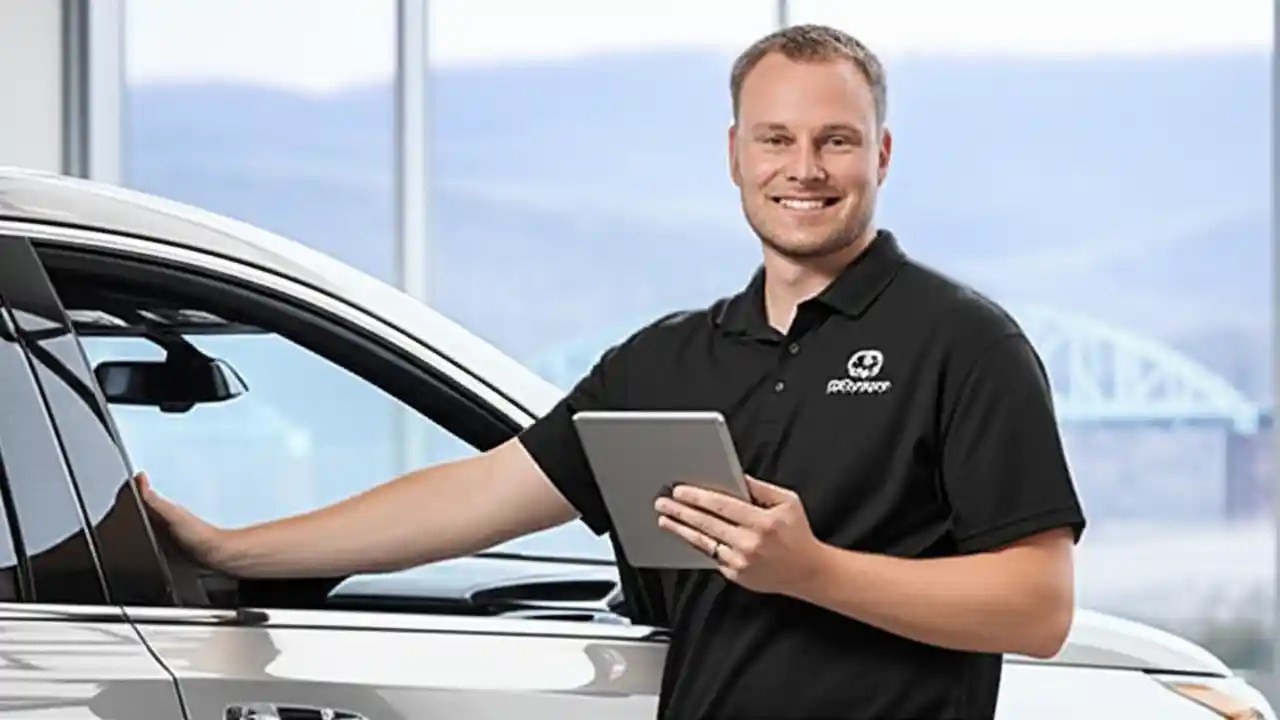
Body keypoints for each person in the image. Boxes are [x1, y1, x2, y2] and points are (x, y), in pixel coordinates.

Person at [139, 23, 1086, 720]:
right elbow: (474, 494)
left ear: (879, 154)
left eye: (836, 140)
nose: (805, 168)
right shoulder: (666, 360)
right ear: (734, 155)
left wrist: (813, 570)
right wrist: (231, 550)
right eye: (775, 139)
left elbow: (1037, 607)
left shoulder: (965, 343)